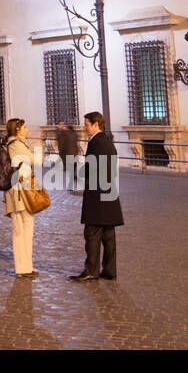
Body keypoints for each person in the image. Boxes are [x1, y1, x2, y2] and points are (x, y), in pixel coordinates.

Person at [71, 110, 124, 281]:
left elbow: (92, 167)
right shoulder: (108, 141)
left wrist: (79, 171)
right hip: (109, 194)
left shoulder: (96, 143)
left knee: (92, 233)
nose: (84, 128)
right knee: (108, 236)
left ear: (96, 124)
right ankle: (109, 271)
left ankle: (91, 271)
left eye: (86, 124)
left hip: (97, 196)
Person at [2, 118, 40, 279]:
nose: (27, 130)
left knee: (25, 228)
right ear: (17, 130)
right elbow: (35, 160)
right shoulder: (17, 145)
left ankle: (26, 267)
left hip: (18, 190)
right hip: (19, 191)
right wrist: (38, 145)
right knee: (20, 229)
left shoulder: (15, 144)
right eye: (24, 127)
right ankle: (22, 269)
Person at [56, 120, 79, 190]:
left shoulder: (64, 134)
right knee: (73, 169)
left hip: (68, 154)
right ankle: (74, 176)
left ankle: (70, 185)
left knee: (70, 170)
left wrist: (61, 153)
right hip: (75, 153)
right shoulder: (75, 134)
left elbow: (62, 144)